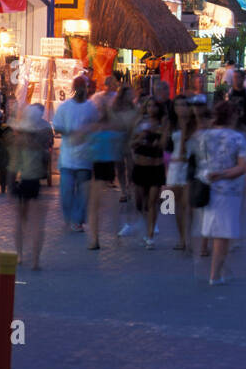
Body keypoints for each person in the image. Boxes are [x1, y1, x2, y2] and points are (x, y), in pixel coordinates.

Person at [196, 99, 246, 284]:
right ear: (232, 116)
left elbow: (199, 162)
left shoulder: (204, 136)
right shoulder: (237, 138)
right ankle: (215, 274)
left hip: (208, 187)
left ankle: (220, 270)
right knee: (223, 234)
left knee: (216, 231)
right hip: (229, 191)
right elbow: (243, 167)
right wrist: (223, 173)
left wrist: (210, 174)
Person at [87, 86, 134, 249]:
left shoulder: (96, 128)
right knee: (108, 206)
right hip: (108, 166)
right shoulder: (113, 128)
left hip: (98, 167)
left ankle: (95, 240)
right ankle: (115, 236)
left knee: (95, 206)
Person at [8, 103, 53, 270]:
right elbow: (44, 163)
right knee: (36, 224)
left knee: (20, 222)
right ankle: (35, 260)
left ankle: (20, 255)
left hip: (22, 182)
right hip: (34, 184)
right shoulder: (39, 142)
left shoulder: (19, 142)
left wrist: (10, 186)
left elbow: (13, 166)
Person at [53, 76, 98, 233]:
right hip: (67, 158)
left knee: (83, 193)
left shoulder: (91, 108)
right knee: (66, 192)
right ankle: (71, 217)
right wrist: (70, 132)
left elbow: (96, 127)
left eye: (84, 87)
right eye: (79, 87)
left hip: (85, 158)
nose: (82, 90)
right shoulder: (65, 107)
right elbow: (57, 127)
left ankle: (78, 220)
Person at [130, 98, 171, 248]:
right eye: (148, 106)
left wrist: (155, 135)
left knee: (153, 201)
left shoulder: (163, 123)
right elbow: (132, 143)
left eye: (154, 105)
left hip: (156, 166)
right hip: (141, 165)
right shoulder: (139, 123)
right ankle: (144, 223)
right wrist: (141, 138)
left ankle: (150, 235)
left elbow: (163, 144)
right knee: (141, 201)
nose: (151, 109)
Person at [166, 94, 198, 251]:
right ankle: (181, 239)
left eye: (184, 105)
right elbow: (166, 146)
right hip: (174, 166)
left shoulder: (195, 124)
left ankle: (189, 238)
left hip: (190, 166)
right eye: (177, 105)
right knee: (176, 205)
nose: (181, 108)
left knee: (188, 205)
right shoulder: (172, 124)